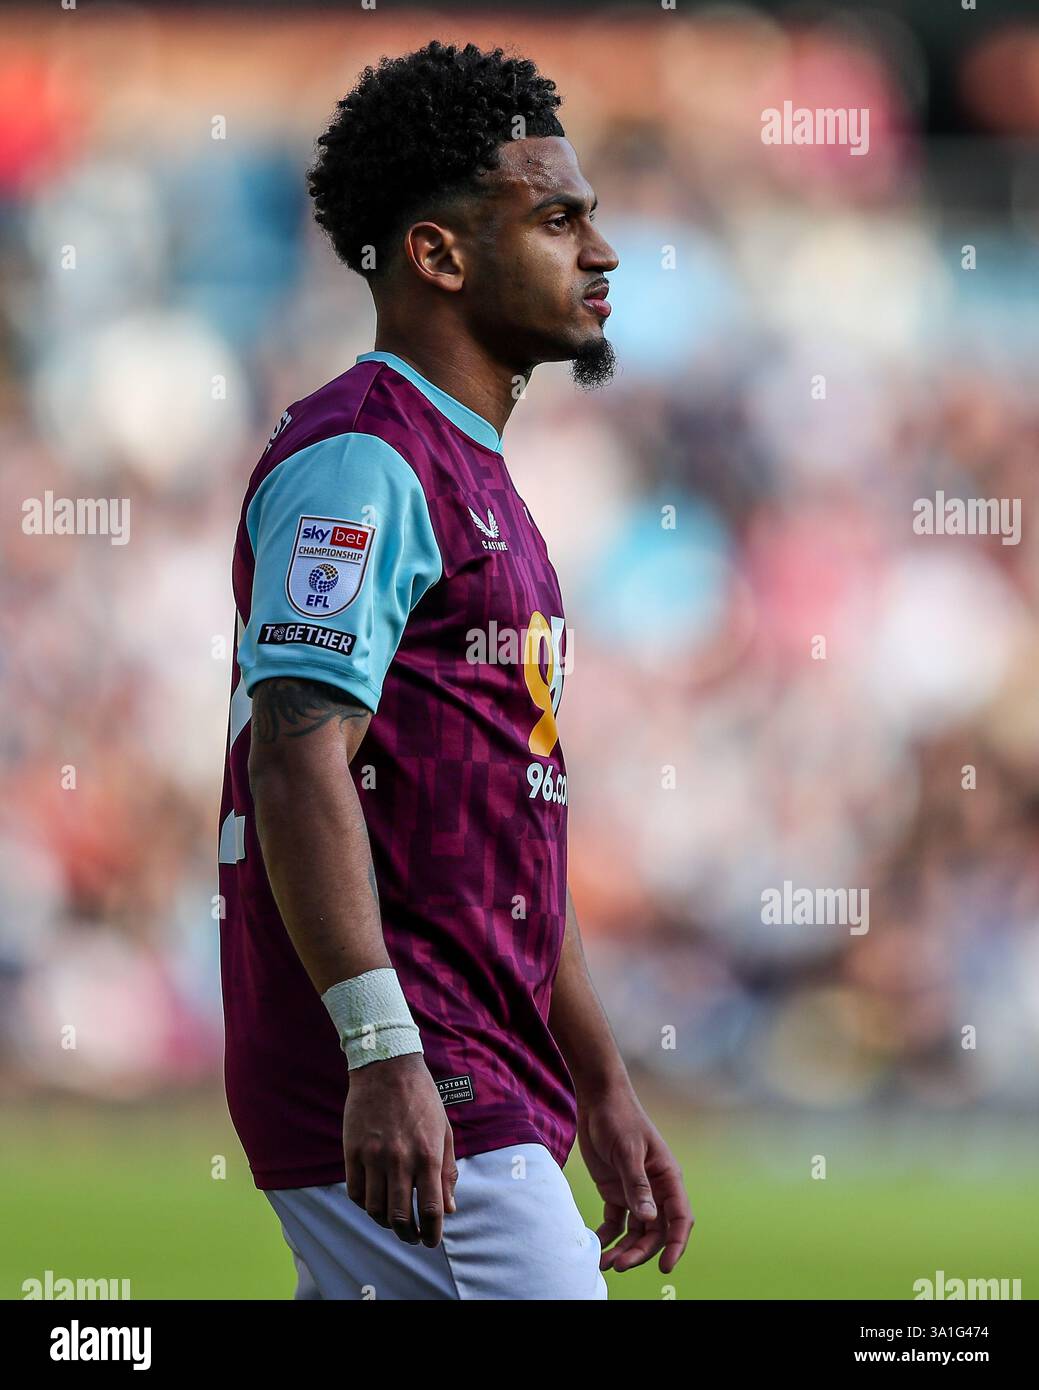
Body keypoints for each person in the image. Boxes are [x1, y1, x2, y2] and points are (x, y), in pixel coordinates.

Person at [217, 39, 693, 1300]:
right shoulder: (363, 460)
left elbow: (516, 811)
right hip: (419, 1076)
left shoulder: (476, 470)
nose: (601, 252)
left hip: (479, 1071)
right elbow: (296, 749)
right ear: (435, 254)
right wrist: (381, 1051)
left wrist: (599, 1079)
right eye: (556, 218)